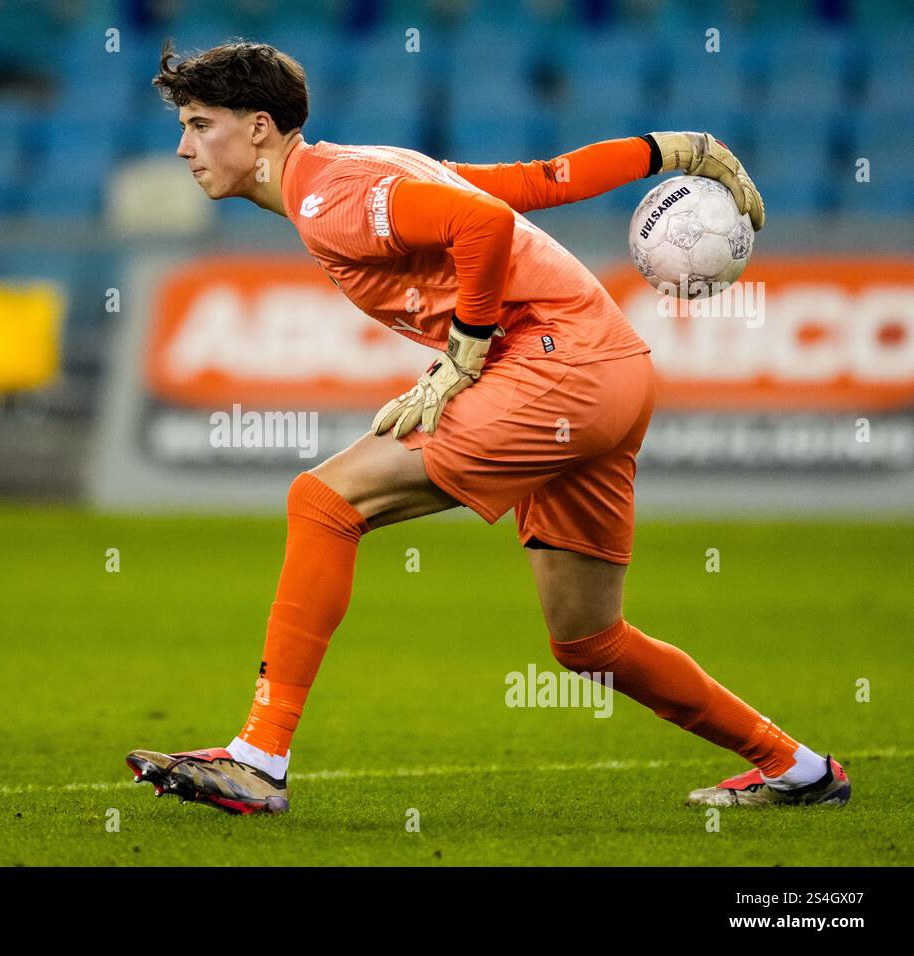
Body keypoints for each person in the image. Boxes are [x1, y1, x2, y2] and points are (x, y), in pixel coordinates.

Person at [126, 40, 849, 815]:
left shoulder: (327, 197)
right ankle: (799, 768)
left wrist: (463, 354)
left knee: (324, 502)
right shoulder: (363, 167)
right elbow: (528, 186)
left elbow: (481, 226)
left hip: (556, 369)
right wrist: (677, 149)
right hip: (610, 370)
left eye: (201, 124)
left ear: (260, 127)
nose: (184, 146)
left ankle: (259, 757)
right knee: (588, 641)